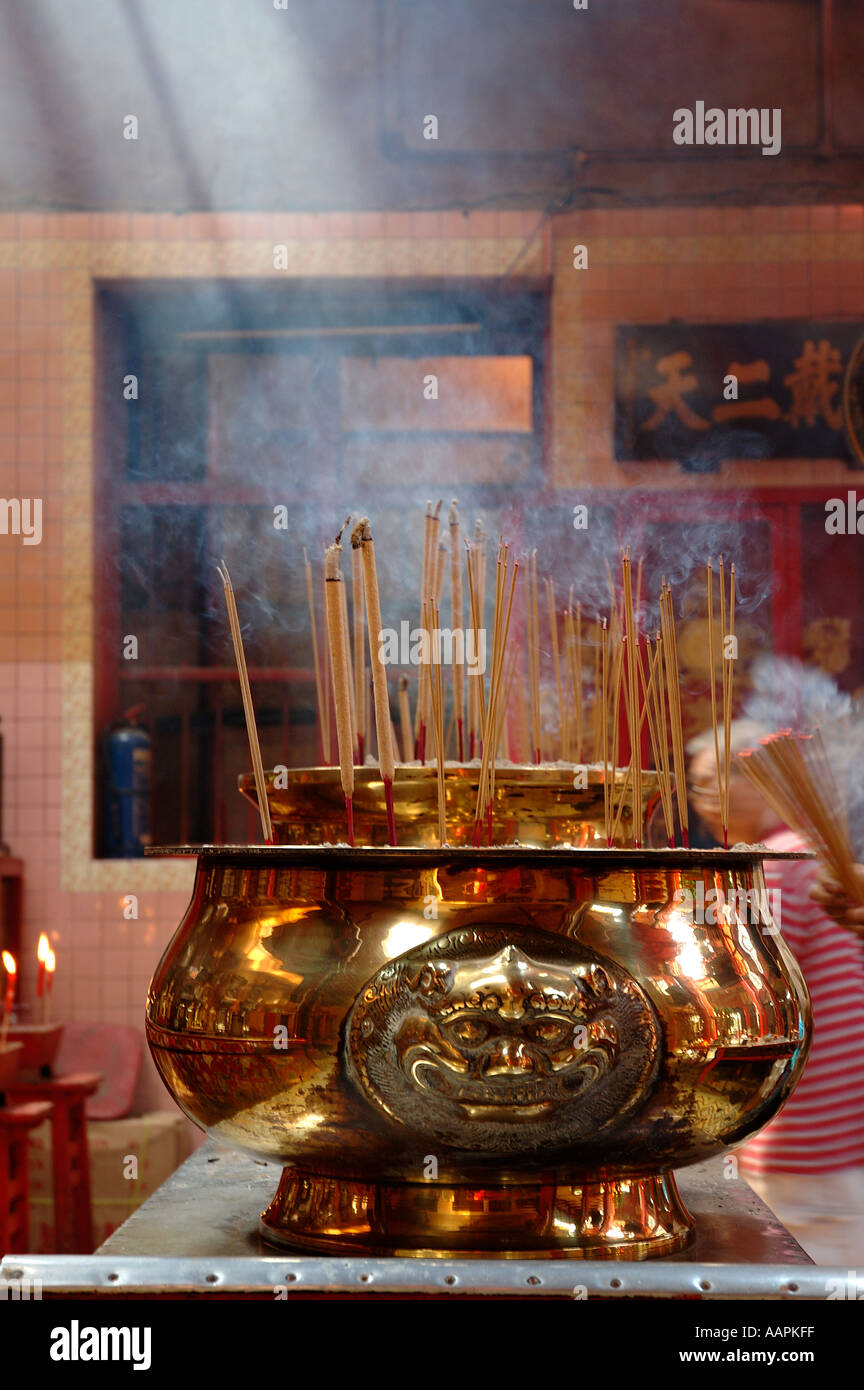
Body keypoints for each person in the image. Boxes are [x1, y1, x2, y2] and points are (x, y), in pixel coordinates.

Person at [687, 721, 864, 1265]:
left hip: (808, 1131)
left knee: (814, 1265)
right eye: (699, 784)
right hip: (836, 1124)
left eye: (722, 777)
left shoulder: (778, 866)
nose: (708, 797)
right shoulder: (807, 851)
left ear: (763, 779)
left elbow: (741, 982)